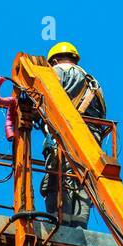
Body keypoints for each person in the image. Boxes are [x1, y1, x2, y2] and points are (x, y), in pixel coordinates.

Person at [38, 41, 107, 228]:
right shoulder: (94, 83)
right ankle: (79, 225)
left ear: (54, 60)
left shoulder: (58, 71)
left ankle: (59, 223)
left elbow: (44, 96)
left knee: (56, 178)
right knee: (82, 180)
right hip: (92, 139)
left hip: (68, 134)